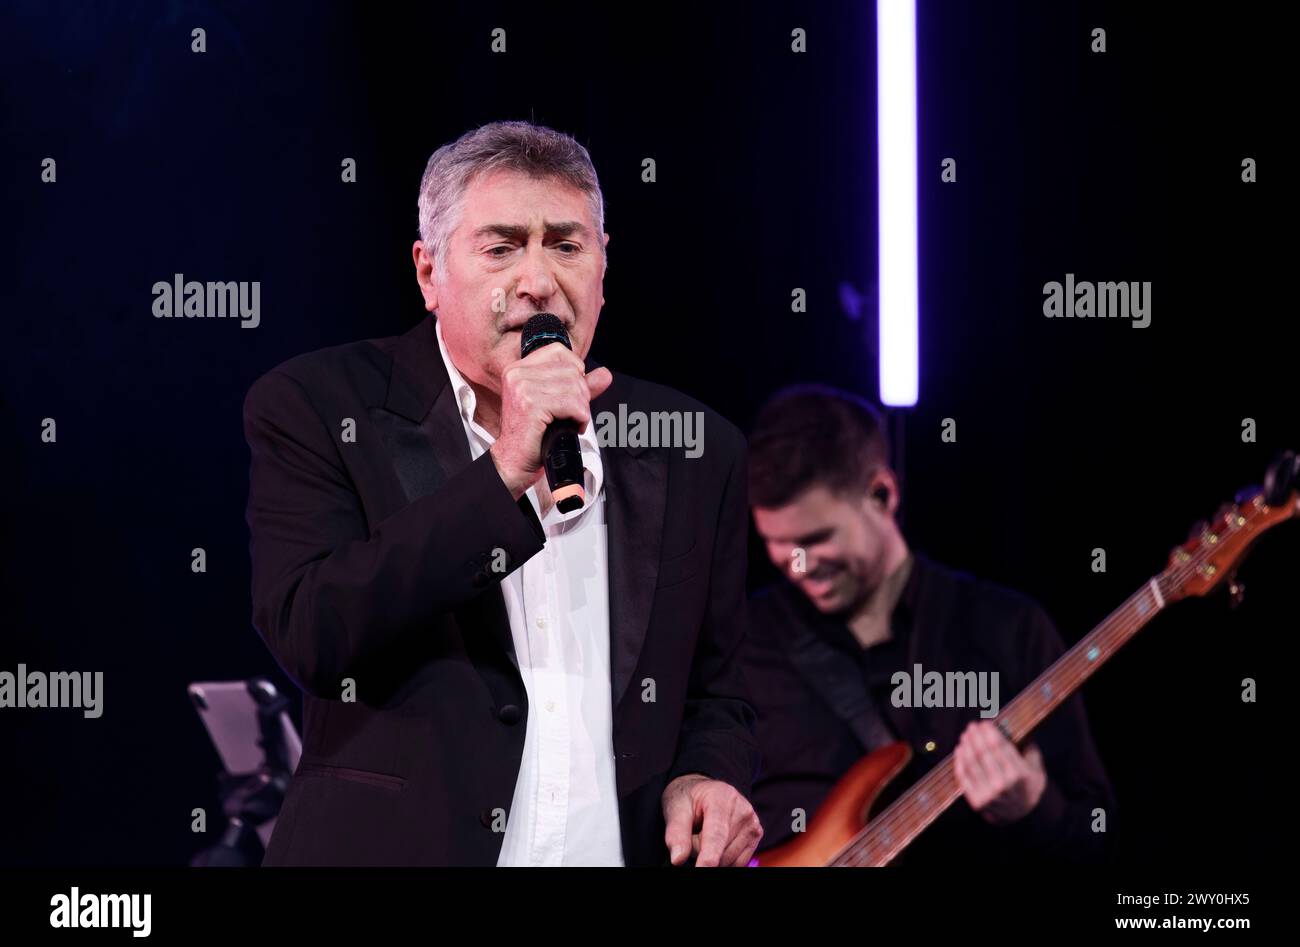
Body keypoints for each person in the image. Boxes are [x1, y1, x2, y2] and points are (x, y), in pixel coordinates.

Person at [242, 120, 761, 866]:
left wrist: (707, 772)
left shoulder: (693, 446)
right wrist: (503, 474)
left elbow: (721, 690)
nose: (538, 280)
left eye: (567, 245)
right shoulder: (320, 407)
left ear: (603, 267)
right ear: (429, 273)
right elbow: (312, 629)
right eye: (501, 247)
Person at [742, 385, 1114, 864]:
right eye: (778, 543)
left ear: (882, 494)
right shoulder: (743, 640)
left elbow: (1099, 837)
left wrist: (1034, 806)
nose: (797, 565)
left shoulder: (1007, 628)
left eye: (816, 539)